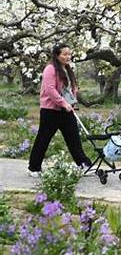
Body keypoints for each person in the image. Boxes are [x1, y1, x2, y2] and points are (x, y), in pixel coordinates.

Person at [27, 43, 91, 177]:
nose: (68, 57)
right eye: (65, 54)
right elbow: (50, 89)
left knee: (73, 137)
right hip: (51, 111)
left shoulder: (67, 69)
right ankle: (33, 168)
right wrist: (63, 103)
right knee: (43, 138)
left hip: (66, 110)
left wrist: (73, 102)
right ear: (57, 55)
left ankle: (83, 164)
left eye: (69, 54)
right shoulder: (50, 69)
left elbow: (71, 88)